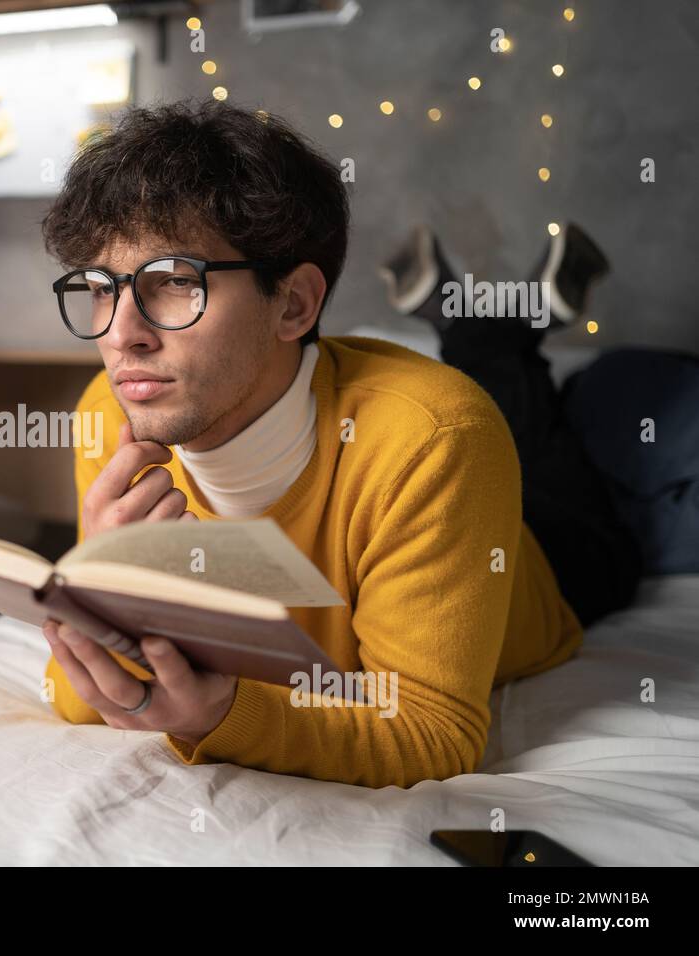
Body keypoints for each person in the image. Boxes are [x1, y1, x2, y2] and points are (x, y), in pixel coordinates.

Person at [35, 99, 642, 788]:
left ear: (294, 304)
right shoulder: (117, 409)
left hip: (557, 557)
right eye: (98, 289)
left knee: (529, 422)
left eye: (176, 283)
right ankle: (470, 316)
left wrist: (224, 713)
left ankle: (496, 324)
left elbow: (433, 731)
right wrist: (96, 588)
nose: (120, 336)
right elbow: (77, 697)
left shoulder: (437, 438)